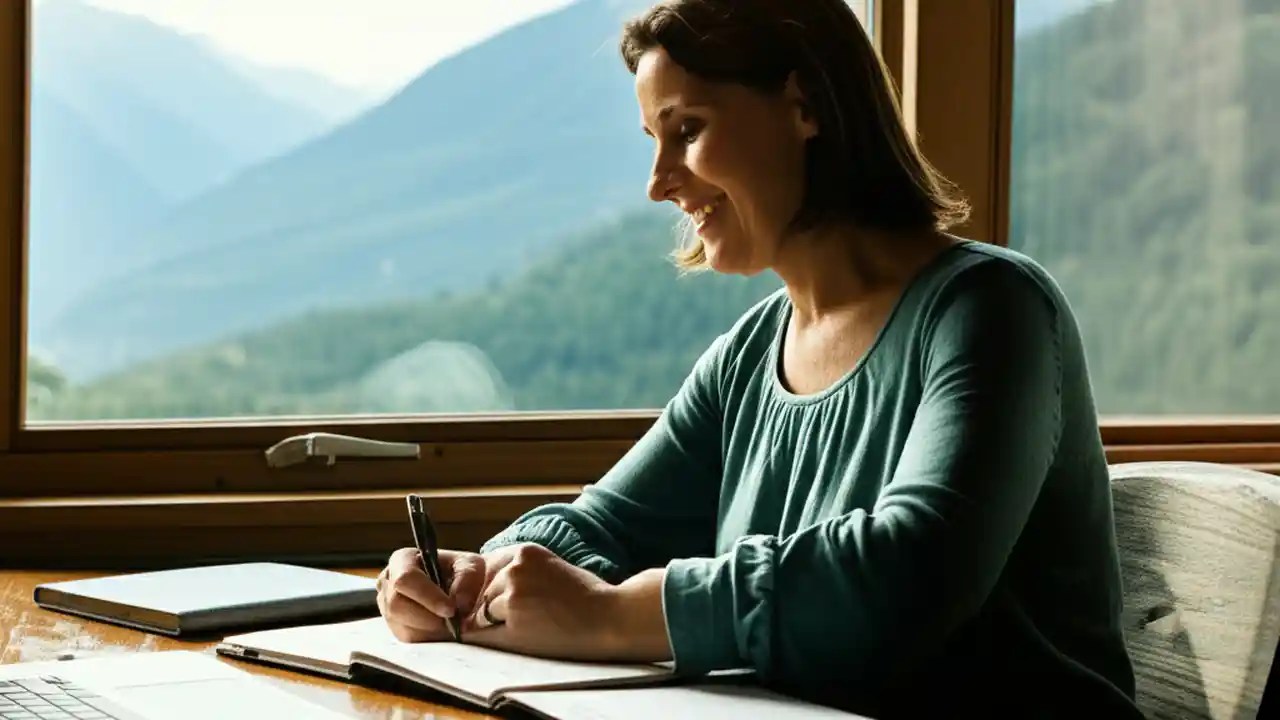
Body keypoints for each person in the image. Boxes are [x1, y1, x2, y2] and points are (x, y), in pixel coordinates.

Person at [375, 0, 1143, 716]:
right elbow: (600, 525)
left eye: (687, 130)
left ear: (805, 105)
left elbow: (907, 579)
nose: (658, 184)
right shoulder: (747, 358)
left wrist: (612, 615)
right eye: (653, 141)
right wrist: (477, 575)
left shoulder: (992, 309)